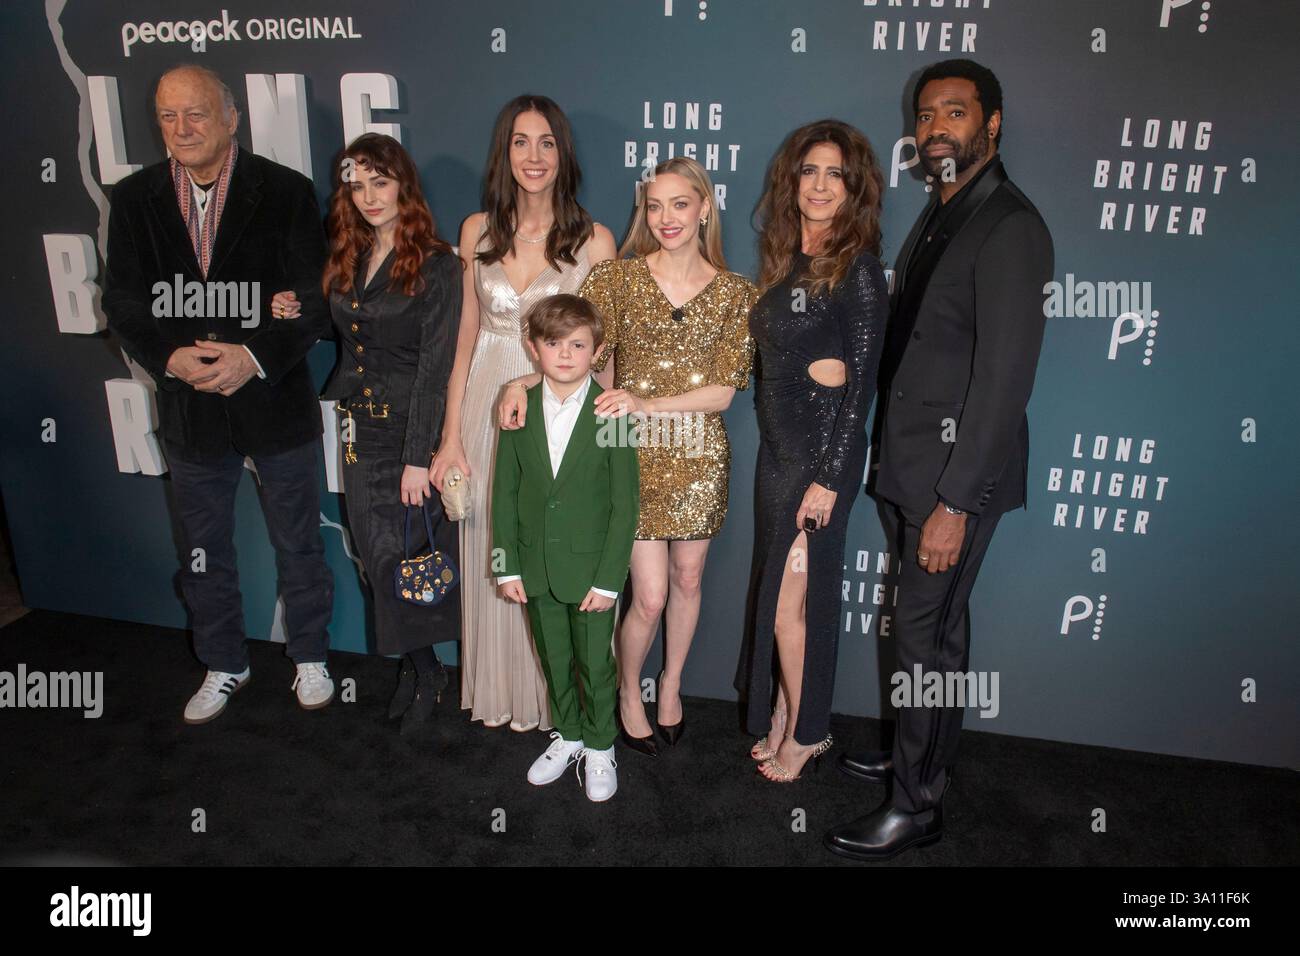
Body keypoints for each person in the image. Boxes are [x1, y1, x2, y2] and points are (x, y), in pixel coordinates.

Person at [825, 59, 1054, 860]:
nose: (934, 130)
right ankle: (919, 754)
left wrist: (956, 503)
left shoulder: (1011, 226)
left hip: (954, 482)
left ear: (992, 124)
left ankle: (917, 806)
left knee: (924, 636)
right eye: (924, 117)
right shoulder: (943, 208)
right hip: (910, 468)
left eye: (953, 113)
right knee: (935, 637)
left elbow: (1003, 385)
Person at [499, 157, 756, 756]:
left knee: (689, 581)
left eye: (680, 204)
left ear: (703, 209)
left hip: (696, 454)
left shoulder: (737, 293)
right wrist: (520, 384)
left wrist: (646, 401)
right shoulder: (615, 279)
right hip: (626, 453)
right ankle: (626, 695)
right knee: (649, 595)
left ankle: (671, 686)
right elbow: (577, 357)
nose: (666, 218)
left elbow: (722, 391)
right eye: (654, 205)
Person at [102, 64, 334, 724]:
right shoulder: (134, 198)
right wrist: (169, 357)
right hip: (190, 409)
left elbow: (312, 303)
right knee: (203, 552)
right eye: (169, 116)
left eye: (196, 113)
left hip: (274, 402)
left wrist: (253, 356)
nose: (182, 128)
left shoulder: (286, 193)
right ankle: (223, 662)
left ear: (231, 119)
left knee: (299, 544)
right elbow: (121, 300)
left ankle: (311, 655)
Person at [429, 95, 616, 733]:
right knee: (499, 539)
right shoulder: (476, 229)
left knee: (554, 542)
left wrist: (608, 440)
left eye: (546, 142)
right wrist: (450, 439)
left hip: (559, 407)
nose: (533, 156)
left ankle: (570, 714)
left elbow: (602, 352)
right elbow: (464, 342)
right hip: (487, 403)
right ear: (503, 152)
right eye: (519, 142)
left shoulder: (595, 240)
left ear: (563, 153)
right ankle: (507, 694)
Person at [271, 134, 462, 735]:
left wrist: (417, 458)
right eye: (357, 185)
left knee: (411, 559)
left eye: (381, 182)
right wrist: (297, 306)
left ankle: (429, 671)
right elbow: (347, 326)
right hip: (357, 430)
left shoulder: (438, 263)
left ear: (404, 185)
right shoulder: (349, 257)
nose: (369, 196)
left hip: (409, 433)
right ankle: (420, 665)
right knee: (378, 561)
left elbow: (435, 365)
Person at [738, 121, 888, 782]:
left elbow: (862, 387)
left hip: (820, 457)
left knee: (790, 606)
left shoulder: (857, 266)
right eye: (810, 172)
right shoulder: (787, 256)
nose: (821, 186)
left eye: (836, 175)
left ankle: (808, 733)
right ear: (791, 180)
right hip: (778, 454)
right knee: (780, 600)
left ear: (853, 189)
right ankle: (783, 711)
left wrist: (830, 477)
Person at [492, 294, 639, 801]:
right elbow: (504, 492)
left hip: (590, 569)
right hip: (534, 566)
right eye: (553, 343)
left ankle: (601, 745)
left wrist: (609, 578)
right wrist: (505, 566)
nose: (566, 354)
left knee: (596, 664)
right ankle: (569, 735)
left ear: (596, 351)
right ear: (534, 349)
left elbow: (626, 506)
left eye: (578, 344)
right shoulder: (516, 408)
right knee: (553, 657)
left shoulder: (614, 413)